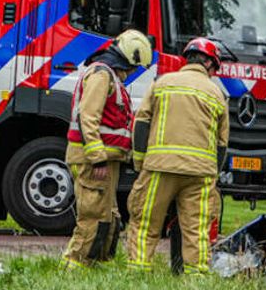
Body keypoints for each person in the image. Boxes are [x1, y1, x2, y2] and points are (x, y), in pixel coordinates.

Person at [126, 36, 229, 276]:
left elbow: (141, 123)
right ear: (211, 65)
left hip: (159, 167)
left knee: (145, 222)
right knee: (196, 229)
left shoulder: (162, 83)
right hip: (200, 174)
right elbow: (222, 144)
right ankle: (196, 278)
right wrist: (214, 173)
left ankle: (138, 272)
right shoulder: (217, 94)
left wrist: (140, 162)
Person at [62, 29, 152, 270]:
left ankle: (93, 265)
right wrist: (97, 158)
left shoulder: (110, 76)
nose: (132, 73)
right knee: (92, 216)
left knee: (107, 216)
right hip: (93, 160)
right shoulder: (102, 75)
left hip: (106, 160)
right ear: (128, 59)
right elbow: (88, 117)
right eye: (134, 67)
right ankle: (74, 266)